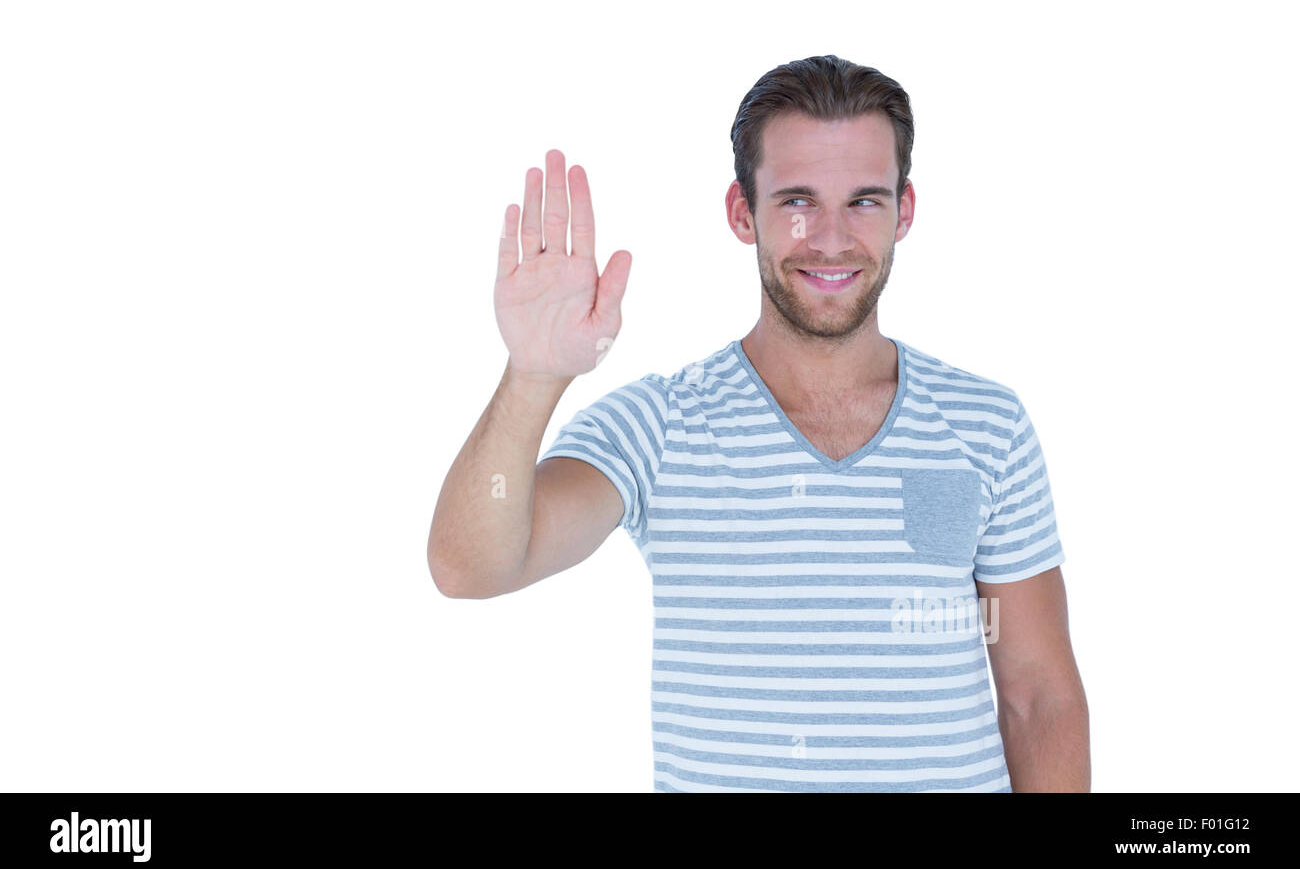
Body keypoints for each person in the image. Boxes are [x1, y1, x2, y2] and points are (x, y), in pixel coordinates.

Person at [427, 54, 1089, 792]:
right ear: (744, 212)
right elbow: (472, 566)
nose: (831, 238)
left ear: (905, 210)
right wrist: (534, 377)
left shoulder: (986, 424)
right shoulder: (661, 425)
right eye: (798, 201)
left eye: (864, 201)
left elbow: (1039, 698)